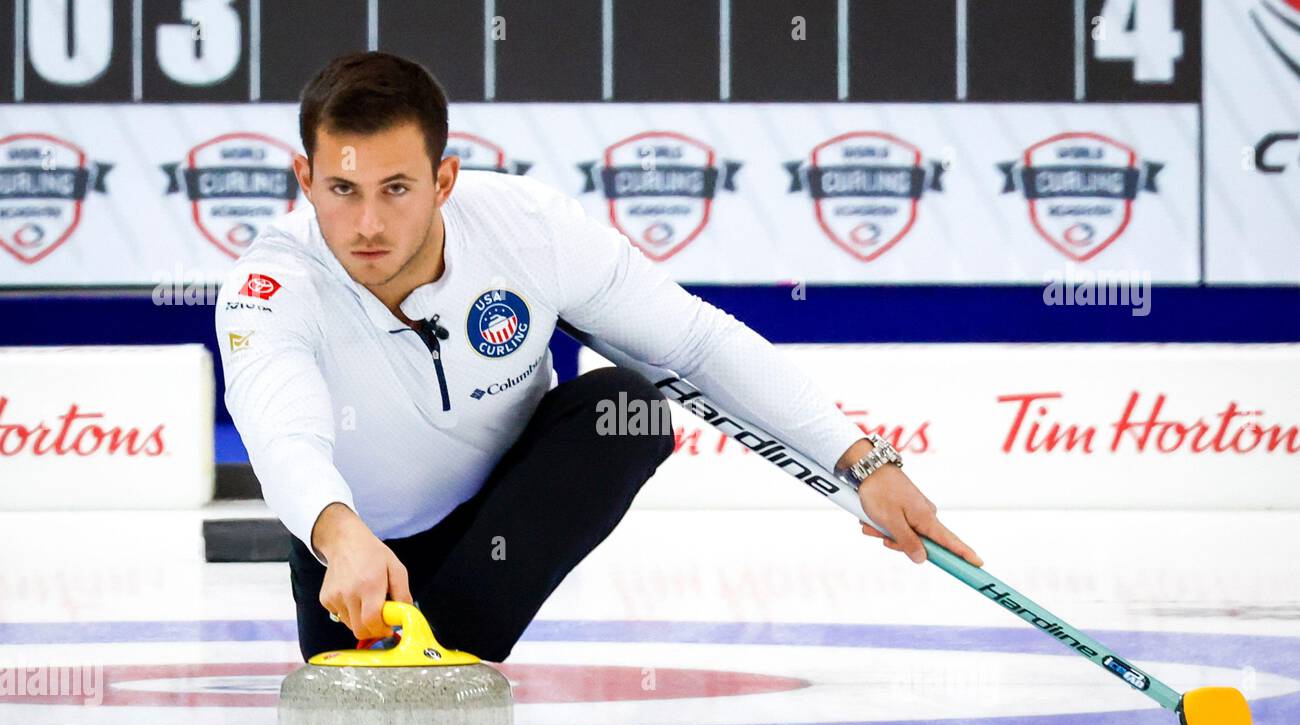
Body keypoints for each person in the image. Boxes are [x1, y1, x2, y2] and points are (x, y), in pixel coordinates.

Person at [214, 52, 982, 663]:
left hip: (497, 521)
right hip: (354, 557)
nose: (368, 223)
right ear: (304, 180)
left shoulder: (529, 229)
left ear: (445, 179)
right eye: (342, 189)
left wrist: (863, 463)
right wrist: (340, 532)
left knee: (628, 409)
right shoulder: (268, 284)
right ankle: (415, 650)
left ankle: (444, 653)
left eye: (397, 188)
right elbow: (282, 432)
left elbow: (694, 341)